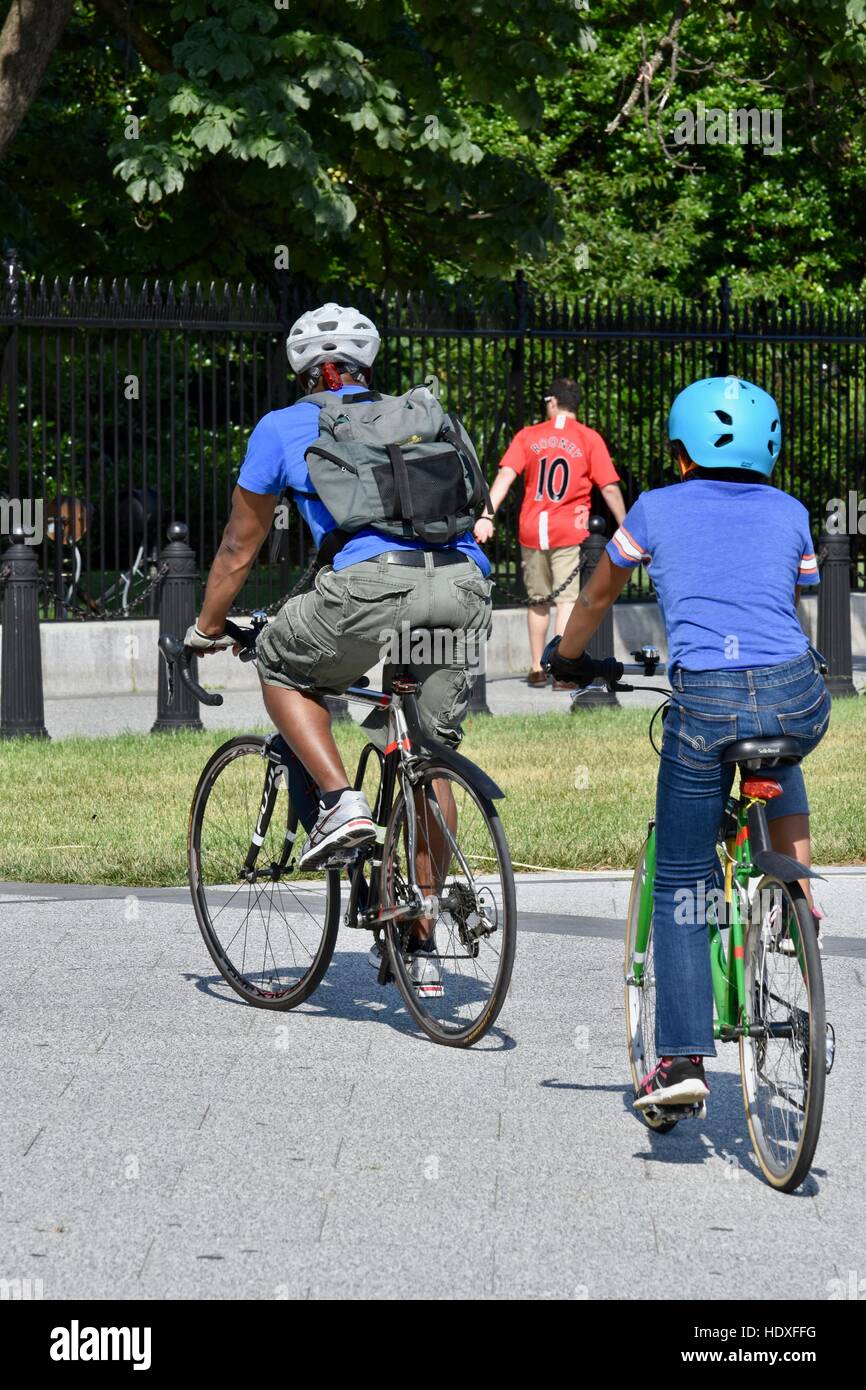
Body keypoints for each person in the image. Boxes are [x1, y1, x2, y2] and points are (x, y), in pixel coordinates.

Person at [184, 302, 493, 994]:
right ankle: (421, 924)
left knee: (283, 663)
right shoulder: (417, 413)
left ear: (301, 372)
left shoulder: (283, 426)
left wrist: (208, 627)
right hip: (460, 585)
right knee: (429, 749)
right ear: (367, 367)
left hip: (371, 589)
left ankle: (339, 801)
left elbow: (240, 545)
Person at [544, 376, 830, 1110]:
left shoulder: (657, 509)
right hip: (799, 693)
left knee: (681, 881)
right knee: (776, 741)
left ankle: (678, 1062)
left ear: (679, 455)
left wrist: (567, 657)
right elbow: (789, 600)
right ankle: (796, 898)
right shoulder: (793, 512)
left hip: (706, 702)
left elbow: (599, 596)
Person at [474, 378, 625, 687]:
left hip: (532, 528)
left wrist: (486, 516)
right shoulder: (588, 438)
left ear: (552, 402)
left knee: (537, 600)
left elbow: (505, 476)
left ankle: (535, 666)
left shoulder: (528, 435)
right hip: (569, 528)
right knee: (566, 600)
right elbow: (608, 487)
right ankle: (562, 669)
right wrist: (625, 524)